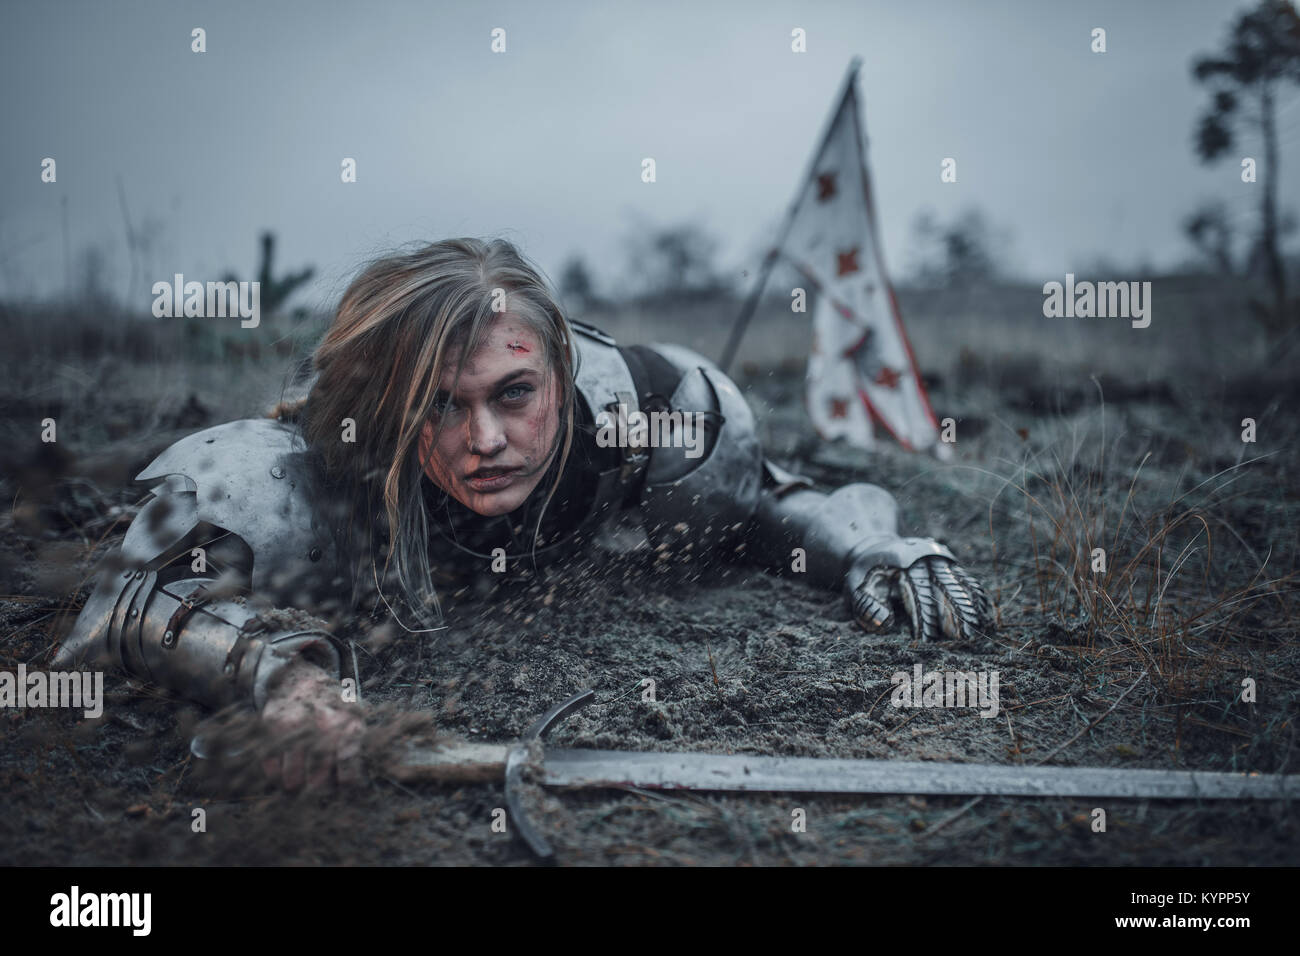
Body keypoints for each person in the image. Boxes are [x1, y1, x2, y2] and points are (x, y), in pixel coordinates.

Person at [54, 237, 995, 789]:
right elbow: (126, 600)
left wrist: (879, 546)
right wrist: (280, 679)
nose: (485, 441)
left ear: (563, 373)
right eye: (442, 404)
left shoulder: (661, 423)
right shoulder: (295, 475)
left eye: (514, 394)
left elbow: (777, 502)